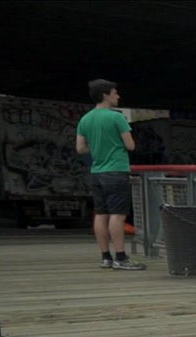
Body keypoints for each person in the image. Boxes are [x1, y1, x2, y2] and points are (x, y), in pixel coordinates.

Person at [75, 79, 145, 271]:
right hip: (116, 171)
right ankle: (121, 257)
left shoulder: (85, 119)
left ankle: (105, 257)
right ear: (105, 95)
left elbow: (80, 148)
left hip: (97, 172)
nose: (118, 96)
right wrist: (114, 144)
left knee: (101, 214)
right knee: (118, 215)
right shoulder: (117, 118)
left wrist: (98, 146)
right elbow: (130, 145)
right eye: (115, 93)